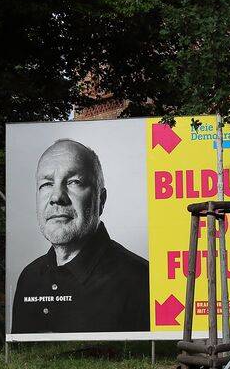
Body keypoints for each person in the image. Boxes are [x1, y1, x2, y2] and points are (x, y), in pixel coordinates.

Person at [11, 139, 149, 333]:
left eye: (74, 182)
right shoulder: (28, 278)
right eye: (47, 184)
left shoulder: (141, 281)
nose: (56, 196)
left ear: (101, 200)